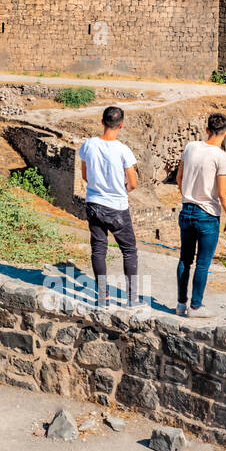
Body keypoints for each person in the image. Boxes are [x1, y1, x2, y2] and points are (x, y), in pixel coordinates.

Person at [77, 106, 139, 308]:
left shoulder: (88, 145)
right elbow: (133, 182)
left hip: (94, 202)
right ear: (121, 125)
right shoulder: (123, 150)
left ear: (102, 121)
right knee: (129, 250)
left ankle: (102, 296)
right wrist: (121, 190)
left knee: (98, 249)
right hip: (116, 206)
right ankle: (132, 299)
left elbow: (85, 175)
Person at [174, 112, 226, 318]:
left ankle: (181, 304)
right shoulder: (222, 157)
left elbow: (179, 177)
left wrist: (189, 195)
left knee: (185, 259)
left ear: (207, 130)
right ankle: (196, 307)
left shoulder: (191, 147)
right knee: (202, 263)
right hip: (207, 215)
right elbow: (223, 192)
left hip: (187, 209)